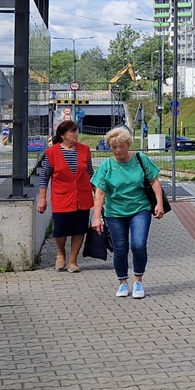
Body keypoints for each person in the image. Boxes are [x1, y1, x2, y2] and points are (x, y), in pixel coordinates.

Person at [91, 125, 165, 299]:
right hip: (114, 212)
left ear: (128, 145)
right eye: (113, 147)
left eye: (121, 146)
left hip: (140, 208)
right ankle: (122, 282)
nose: (117, 151)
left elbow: (154, 181)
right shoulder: (107, 166)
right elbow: (99, 193)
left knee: (138, 245)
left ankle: (138, 280)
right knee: (120, 248)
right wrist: (96, 217)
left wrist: (159, 204)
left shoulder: (141, 159)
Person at [35, 119, 94, 272]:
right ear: (63, 135)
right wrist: (42, 199)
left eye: (76, 130)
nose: (76, 134)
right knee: (60, 229)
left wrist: (98, 193)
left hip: (82, 196)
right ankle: (61, 253)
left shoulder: (85, 150)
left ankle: (73, 261)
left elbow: (90, 173)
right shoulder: (52, 152)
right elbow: (44, 177)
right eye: (72, 131)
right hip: (62, 196)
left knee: (79, 229)